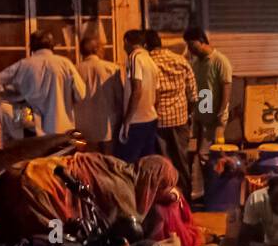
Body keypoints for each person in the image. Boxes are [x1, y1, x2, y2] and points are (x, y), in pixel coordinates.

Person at [0, 31, 85, 137]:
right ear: (52, 46)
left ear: (31, 47)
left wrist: (12, 96)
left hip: (30, 125)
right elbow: (81, 94)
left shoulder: (23, 64)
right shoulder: (66, 64)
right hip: (62, 127)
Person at [146, 30, 198, 199]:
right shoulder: (180, 61)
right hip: (180, 120)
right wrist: (188, 114)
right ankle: (186, 199)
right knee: (182, 161)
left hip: (158, 121)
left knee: (163, 163)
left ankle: (168, 199)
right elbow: (193, 94)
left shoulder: (147, 63)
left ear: (146, 45)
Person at [184, 27, 233, 179]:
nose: (191, 49)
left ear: (202, 41)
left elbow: (226, 87)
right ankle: (209, 188)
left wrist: (220, 112)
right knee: (202, 156)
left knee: (207, 154)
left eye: (192, 45)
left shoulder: (220, 61)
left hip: (214, 119)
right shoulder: (197, 63)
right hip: (201, 116)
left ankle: (216, 186)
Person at [134, 155, 201, 246]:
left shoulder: (172, 199)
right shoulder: (160, 209)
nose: (171, 189)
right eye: (166, 185)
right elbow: (185, 243)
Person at [74, 36, 122, 154]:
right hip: (108, 125)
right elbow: (120, 97)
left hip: (82, 127)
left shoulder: (75, 69)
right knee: (109, 160)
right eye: (102, 48)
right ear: (96, 49)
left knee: (86, 162)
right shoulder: (112, 68)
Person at [118, 29, 159, 164]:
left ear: (127, 42)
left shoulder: (134, 58)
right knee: (146, 162)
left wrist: (127, 120)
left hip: (137, 120)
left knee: (128, 162)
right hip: (151, 117)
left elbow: (137, 90)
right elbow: (157, 92)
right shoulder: (151, 61)